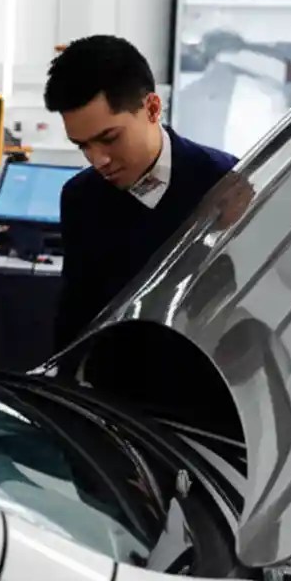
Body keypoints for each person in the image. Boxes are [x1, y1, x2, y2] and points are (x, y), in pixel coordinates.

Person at [46, 35, 238, 351]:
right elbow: (74, 319)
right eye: (83, 146)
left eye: (109, 138)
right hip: (111, 389)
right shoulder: (80, 198)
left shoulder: (224, 182)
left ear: (151, 107)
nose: (98, 161)